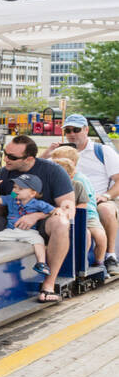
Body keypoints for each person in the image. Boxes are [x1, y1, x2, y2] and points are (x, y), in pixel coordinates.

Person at [0, 134, 76, 302]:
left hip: (45, 223)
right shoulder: (3, 173)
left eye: (12, 157)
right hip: (12, 222)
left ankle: (48, 285)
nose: (6, 159)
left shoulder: (53, 171)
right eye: (5, 154)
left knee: (61, 222)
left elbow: (68, 208)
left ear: (29, 159)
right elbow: (0, 210)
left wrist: (36, 216)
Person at [48, 113, 119, 276]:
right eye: (68, 131)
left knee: (106, 210)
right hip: (66, 200)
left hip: (99, 199)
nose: (72, 134)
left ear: (86, 130)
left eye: (76, 129)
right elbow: (39, 171)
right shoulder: (60, 155)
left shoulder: (102, 151)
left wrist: (107, 196)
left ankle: (110, 256)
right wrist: (48, 152)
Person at [0, 175, 57, 290]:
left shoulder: (37, 203)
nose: (15, 190)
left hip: (28, 232)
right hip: (11, 230)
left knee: (38, 241)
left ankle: (41, 263)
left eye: (20, 189)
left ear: (32, 193)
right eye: (15, 187)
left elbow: (52, 211)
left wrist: (55, 211)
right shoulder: (12, 198)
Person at [47, 146, 107, 265]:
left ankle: (100, 261)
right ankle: (77, 262)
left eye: (58, 161)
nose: (54, 165)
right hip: (65, 217)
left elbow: (84, 204)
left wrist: (72, 213)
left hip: (87, 215)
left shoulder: (80, 181)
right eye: (53, 162)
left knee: (98, 235)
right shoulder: (52, 180)